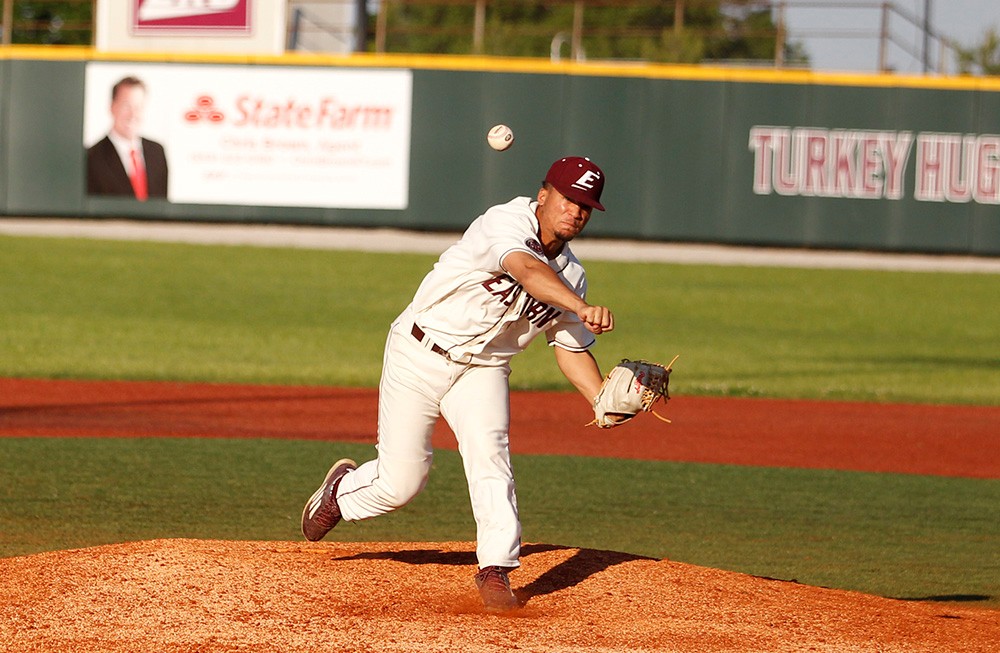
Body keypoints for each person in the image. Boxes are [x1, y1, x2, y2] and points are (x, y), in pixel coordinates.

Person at [301, 156, 614, 612]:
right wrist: (578, 306)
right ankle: (340, 493)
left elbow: (568, 346)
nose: (576, 212)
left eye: (586, 206)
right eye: (568, 199)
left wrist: (599, 399)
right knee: (401, 483)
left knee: (492, 456)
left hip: (483, 370)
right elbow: (526, 270)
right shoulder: (503, 222)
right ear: (543, 195)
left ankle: (496, 569)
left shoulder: (574, 275)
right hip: (419, 351)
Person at [86, 76, 168, 200]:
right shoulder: (91, 157)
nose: (133, 114)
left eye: (138, 107)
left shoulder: (157, 152)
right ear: (112, 107)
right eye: (126, 106)